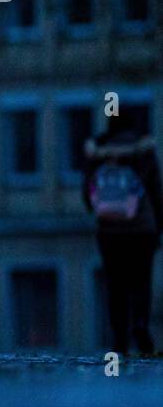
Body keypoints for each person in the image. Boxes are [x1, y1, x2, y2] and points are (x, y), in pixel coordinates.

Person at [82, 117, 163, 355]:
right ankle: (140, 327)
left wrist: (100, 211)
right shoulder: (144, 149)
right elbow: (156, 190)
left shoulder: (96, 152)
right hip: (142, 229)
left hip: (109, 231)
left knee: (115, 284)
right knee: (141, 281)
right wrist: (158, 225)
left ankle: (119, 339)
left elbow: (87, 190)